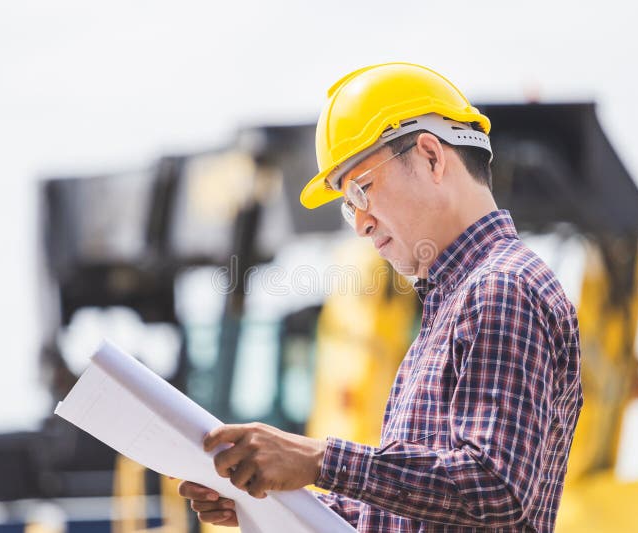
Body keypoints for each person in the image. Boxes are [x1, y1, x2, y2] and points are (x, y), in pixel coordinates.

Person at [179, 62, 582, 532]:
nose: (362, 224)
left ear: (431, 156)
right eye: (349, 208)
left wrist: (320, 460)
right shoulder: (452, 306)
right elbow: (406, 517)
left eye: (362, 190)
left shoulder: (503, 289)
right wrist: (265, 506)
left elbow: (496, 487)